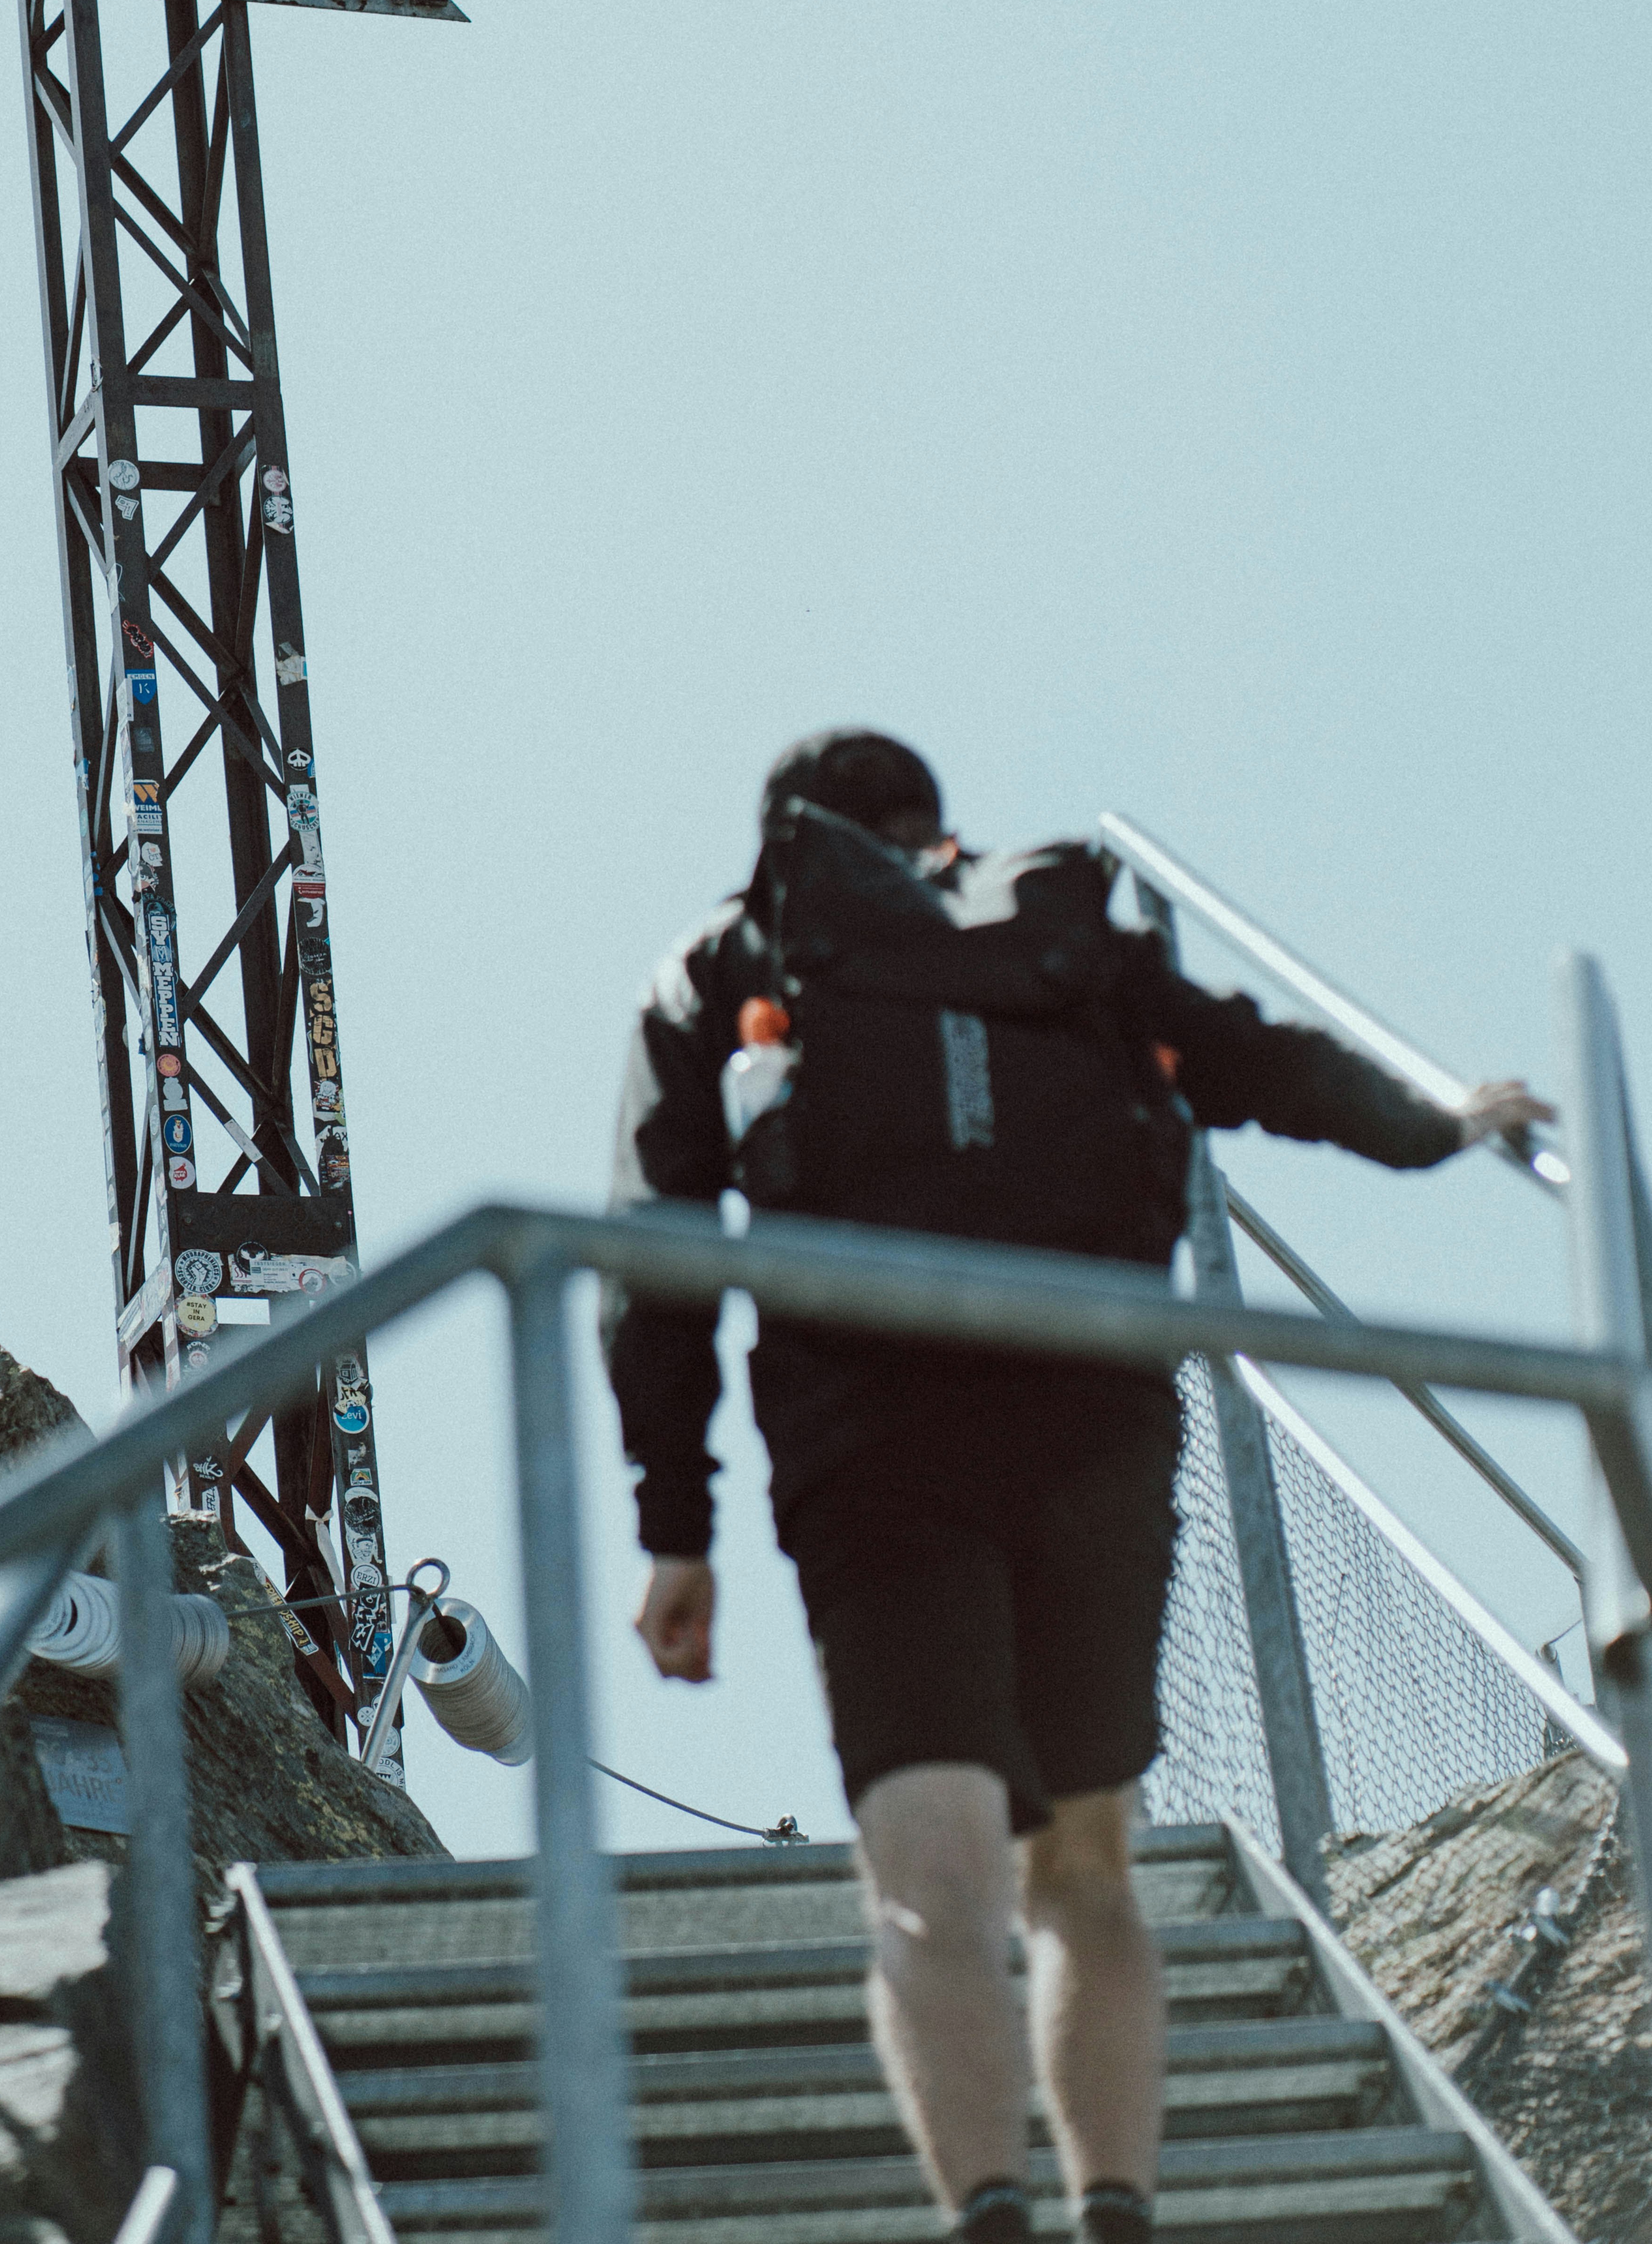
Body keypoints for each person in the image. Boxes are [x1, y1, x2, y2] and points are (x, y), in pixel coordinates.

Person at [604, 727, 1552, 2244]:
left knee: (933, 1879)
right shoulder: (1044, 925)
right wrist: (1439, 1125)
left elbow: (657, 1248)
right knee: (1087, 1869)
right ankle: (1117, 2209)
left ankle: (987, 2211)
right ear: (933, 821)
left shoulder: (731, 956)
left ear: (783, 835)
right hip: (1095, 1411)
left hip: (876, 1438)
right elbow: (1250, 1059)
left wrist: (678, 1530)